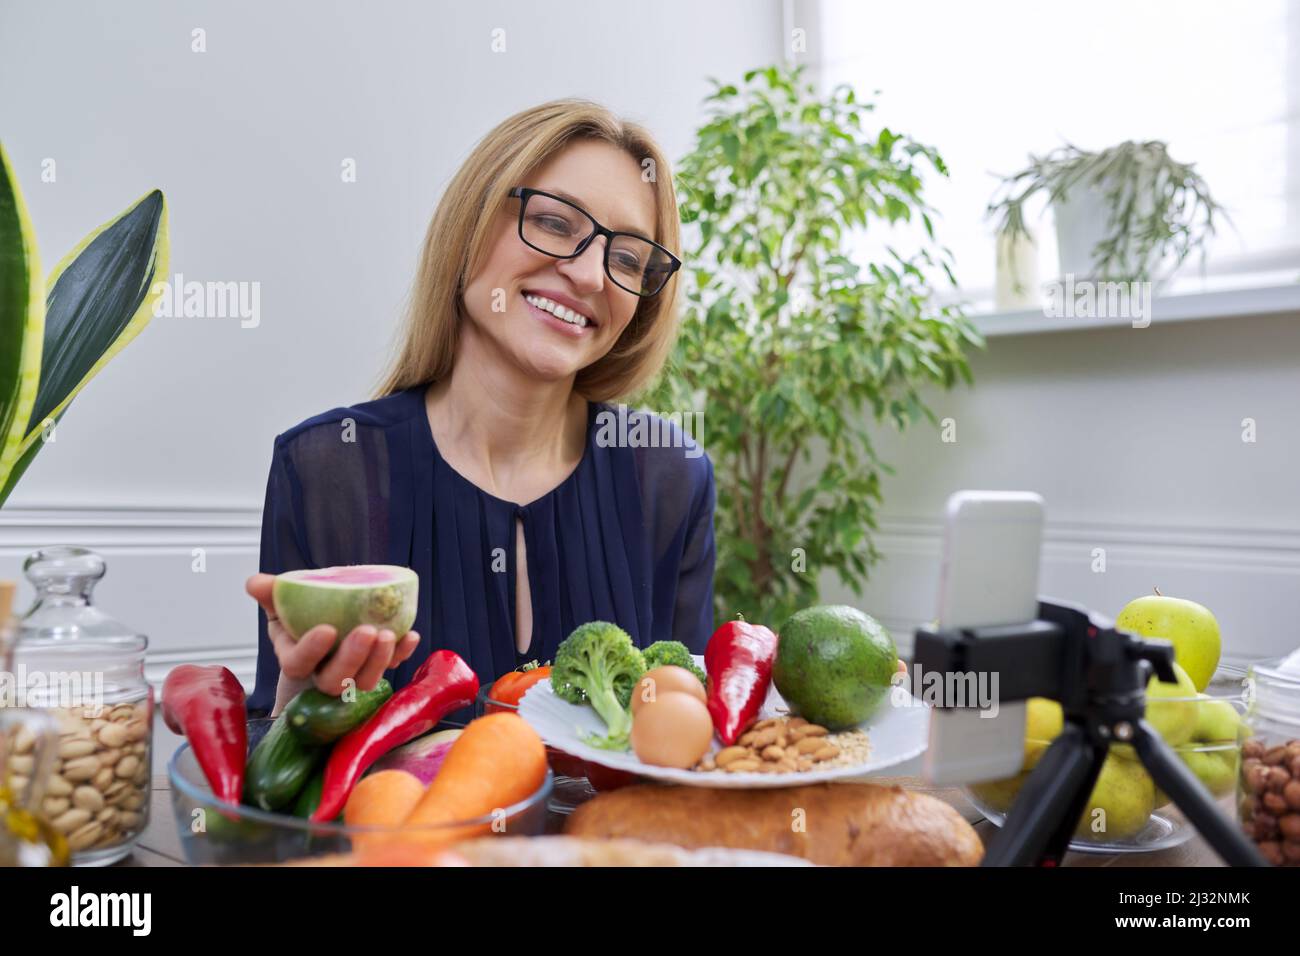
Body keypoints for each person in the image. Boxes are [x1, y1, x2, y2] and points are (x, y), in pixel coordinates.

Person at [245, 99, 716, 718]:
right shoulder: (328, 469)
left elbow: (689, 741)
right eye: (554, 222)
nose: (590, 274)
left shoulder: (671, 477)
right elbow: (272, 771)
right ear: (471, 223)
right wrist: (298, 711)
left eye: (628, 258)